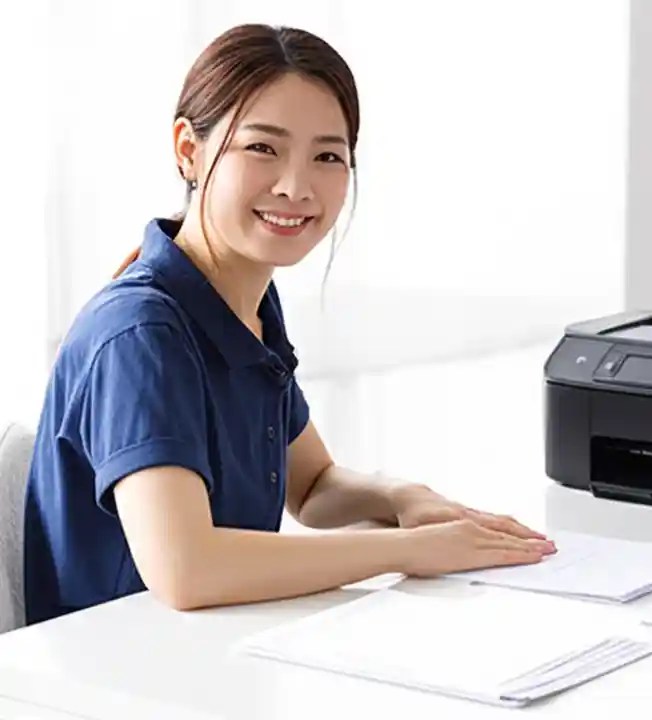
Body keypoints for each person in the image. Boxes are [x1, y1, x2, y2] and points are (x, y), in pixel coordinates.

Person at [23, 24, 555, 626]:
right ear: (188, 150)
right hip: (112, 679)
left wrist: (405, 500)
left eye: (327, 156)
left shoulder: (245, 303)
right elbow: (186, 569)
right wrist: (406, 551)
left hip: (217, 655)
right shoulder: (142, 331)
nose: (296, 187)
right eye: (262, 148)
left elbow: (313, 486)